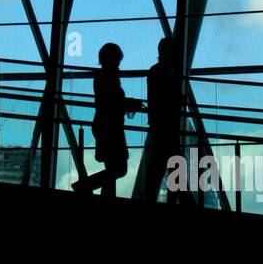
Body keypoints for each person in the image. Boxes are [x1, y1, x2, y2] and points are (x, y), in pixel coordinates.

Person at [72, 43, 142, 198]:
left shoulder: (102, 77)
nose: (118, 66)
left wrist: (126, 103)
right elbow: (113, 102)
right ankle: (84, 186)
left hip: (104, 126)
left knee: (112, 169)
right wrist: (129, 103)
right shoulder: (109, 78)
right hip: (110, 127)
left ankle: (95, 191)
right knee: (118, 169)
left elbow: (109, 102)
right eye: (117, 62)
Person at [140, 37, 183, 202]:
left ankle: (150, 197)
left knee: (159, 170)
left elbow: (156, 100)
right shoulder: (167, 72)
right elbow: (167, 99)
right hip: (167, 129)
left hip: (159, 128)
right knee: (172, 170)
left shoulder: (155, 71)